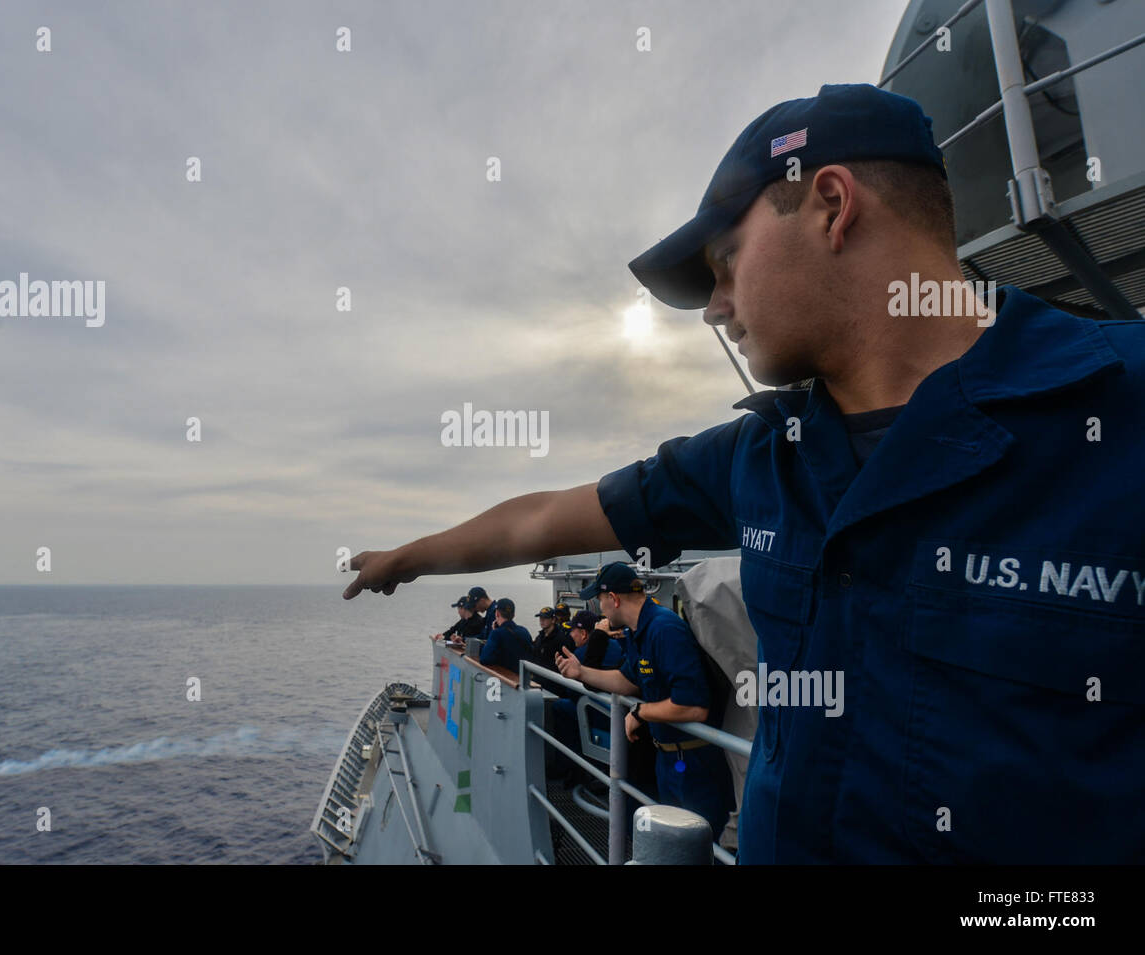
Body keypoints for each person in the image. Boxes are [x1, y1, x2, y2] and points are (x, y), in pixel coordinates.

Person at [343, 83, 1145, 864]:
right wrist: (406, 557)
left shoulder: (1120, 408)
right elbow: (544, 519)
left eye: (727, 259)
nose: (714, 307)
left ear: (832, 203)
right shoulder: (763, 454)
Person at [554, 563, 735, 838]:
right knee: (675, 842)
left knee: (697, 844)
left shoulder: (664, 629)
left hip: (694, 763)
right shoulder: (638, 630)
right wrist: (581, 672)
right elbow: (628, 681)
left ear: (614, 599)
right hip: (669, 757)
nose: (599, 609)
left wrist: (641, 713)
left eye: (600, 600)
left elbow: (693, 706)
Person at [478, 598, 534, 673]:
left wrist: (493, 633)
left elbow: (484, 659)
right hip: (524, 678)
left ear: (497, 613)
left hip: (507, 679)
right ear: (513, 615)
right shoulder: (524, 631)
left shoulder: (497, 633)